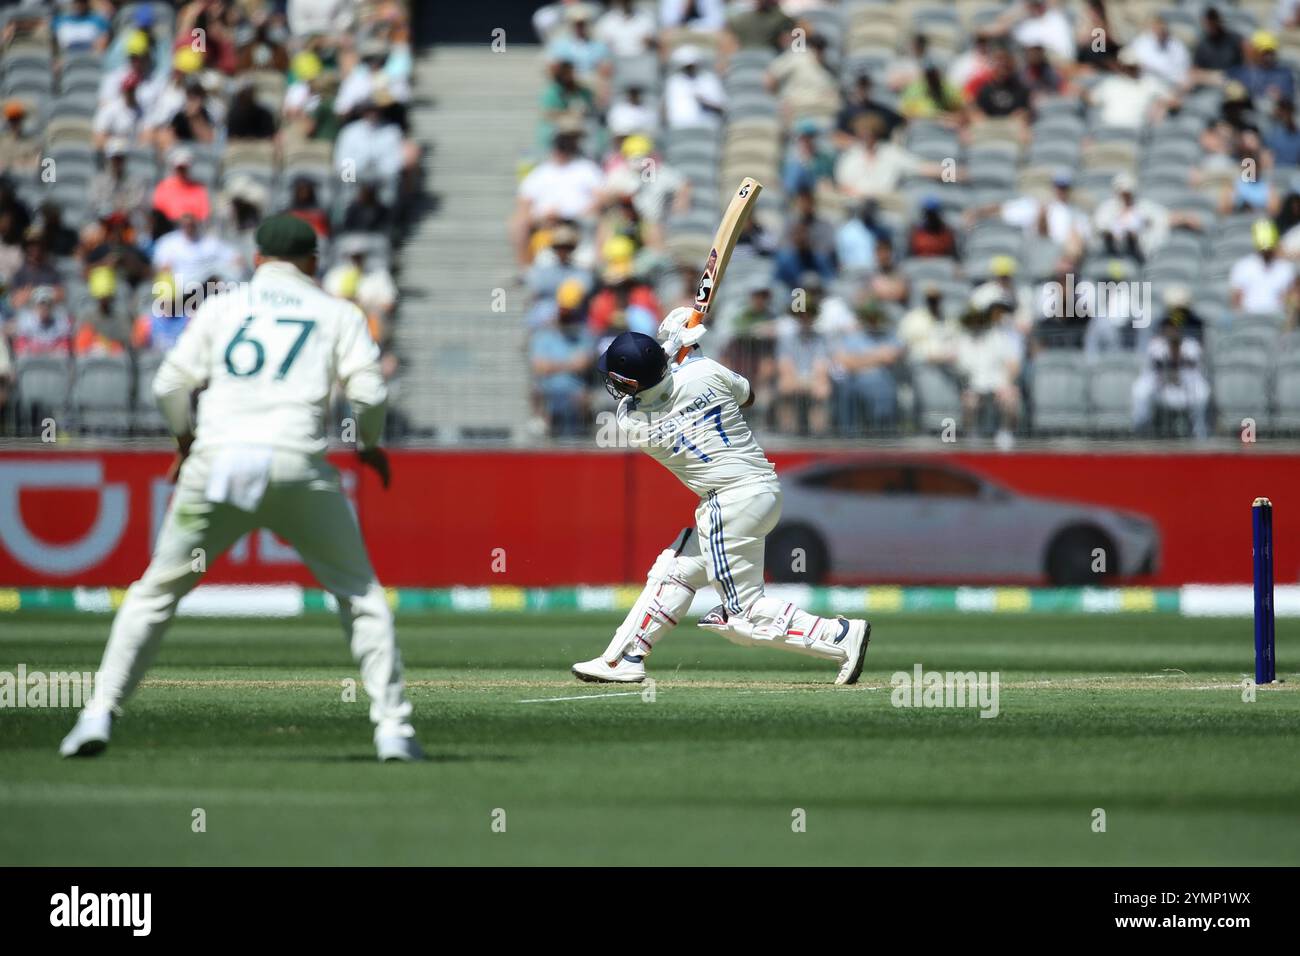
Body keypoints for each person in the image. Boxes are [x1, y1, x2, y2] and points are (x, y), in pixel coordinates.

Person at [58, 214, 421, 763]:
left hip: (218, 461)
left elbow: (168, 384)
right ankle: (392, 731)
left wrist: (185, 441)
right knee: (360, 597)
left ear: (256, 260)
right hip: (296, 462)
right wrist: (368, 446)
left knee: (155, 593)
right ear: (313, 263)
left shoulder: (222, 307)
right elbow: (369, 398)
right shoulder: (337, 312)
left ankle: (96, 715)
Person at [570, 315, 870, 685]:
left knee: (741, 615)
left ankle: (838, 636)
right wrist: (689, 351)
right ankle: (624, 659)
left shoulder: (632, 420)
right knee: (675, 571)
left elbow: (658, 392)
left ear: (630, 382)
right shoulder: (706, 371)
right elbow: (747, 395)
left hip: (726, 503)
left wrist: (674, 349)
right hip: (762, 490)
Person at [1132, 316, 1210, 437]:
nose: (1171, 332)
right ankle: (1141, 430)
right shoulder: (1156, 346)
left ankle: (1199, 432)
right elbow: (1149, 373)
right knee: (1140, 391)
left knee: (1202, 392)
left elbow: (1197, 371)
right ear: (1163, 330)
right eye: (1168, 329)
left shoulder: (1191, 346)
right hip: (1162, 388)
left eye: (1174, 329)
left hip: (1188, 387)